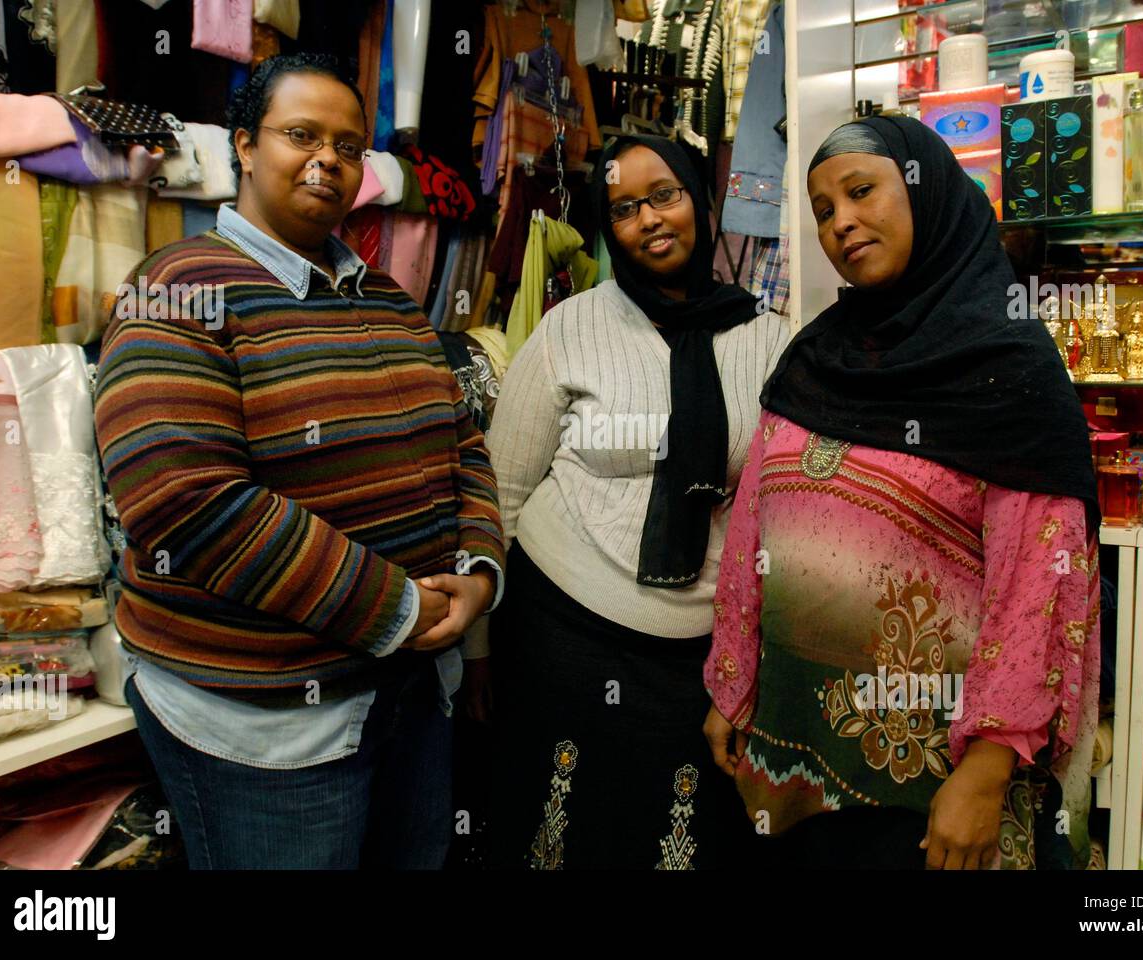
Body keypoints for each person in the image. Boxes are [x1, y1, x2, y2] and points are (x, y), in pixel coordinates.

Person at [93, 53, 505, 869]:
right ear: (244, 146)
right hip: (272, 726)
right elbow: (186, 503)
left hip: (413, 694)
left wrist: (480, 568)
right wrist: (396, 610)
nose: (328, 160)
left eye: (349, 146)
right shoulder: (174, 291)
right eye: (300, 135)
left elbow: (463, 444)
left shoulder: (385, 297)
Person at [702, 115, 1101, 870]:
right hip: (794, 758)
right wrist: (732, 679)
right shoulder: (815, 357)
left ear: (930, 194)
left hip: (936, 790)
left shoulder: (1010, 367)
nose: (842, 221)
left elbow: (1040, 584)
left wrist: (986, 770)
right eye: (823, 210)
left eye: (861, 192)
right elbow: (751, 530)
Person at [484, 134, 790, 869]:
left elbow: (779, 514)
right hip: (559, 635)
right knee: (558, 833)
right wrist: (478, 651)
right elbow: (502, 493)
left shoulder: (770, 340)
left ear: (699, 201)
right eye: (624, 208)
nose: (649, 219)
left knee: (677, 836)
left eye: (666, 195)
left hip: (699, 654)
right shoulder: (570, 328)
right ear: (607, 227)